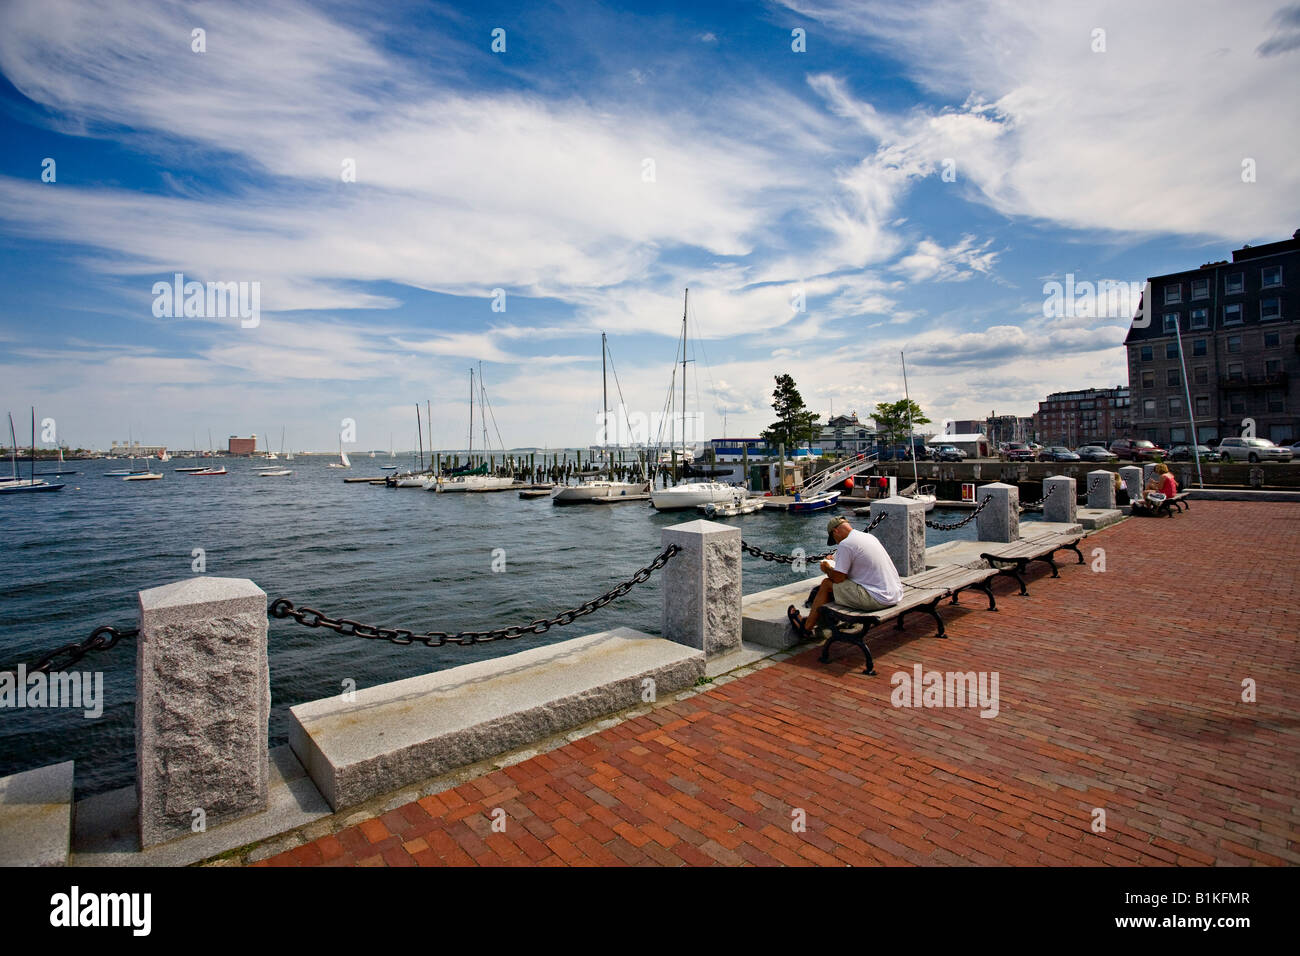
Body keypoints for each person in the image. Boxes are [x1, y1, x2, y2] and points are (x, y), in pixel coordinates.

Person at [788, 516, 904, 638]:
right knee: (838, 586)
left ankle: (806, 628)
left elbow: (838, 578)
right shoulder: (868, 537)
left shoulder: (846, 544)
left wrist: (826, 569)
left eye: (834, 539)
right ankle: (822, 622)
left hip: (879, 598)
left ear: (835, 531)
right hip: (895, 594)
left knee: (827, 584)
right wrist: (835, 559)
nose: (837, 543)